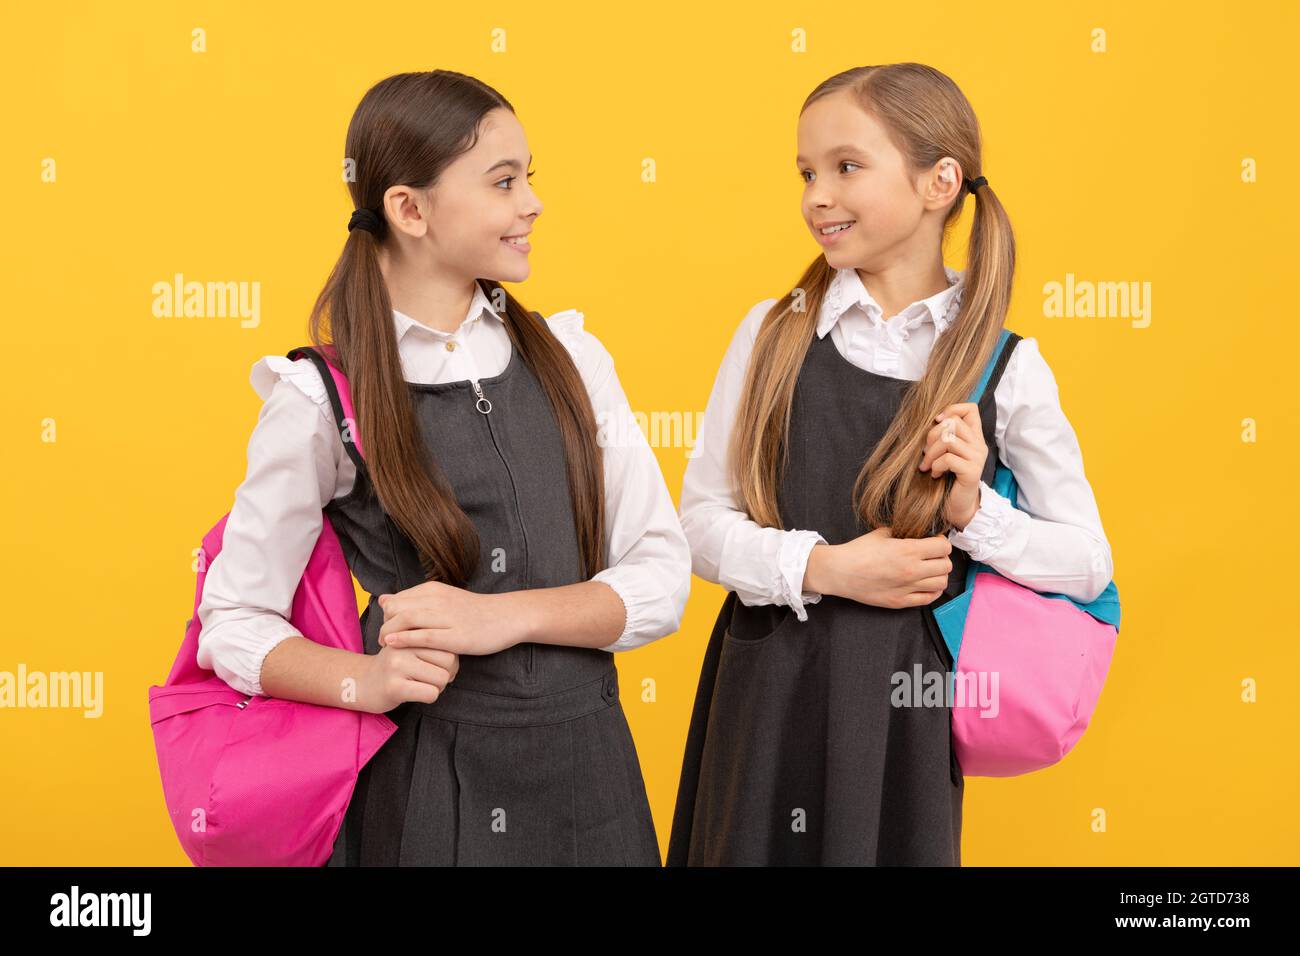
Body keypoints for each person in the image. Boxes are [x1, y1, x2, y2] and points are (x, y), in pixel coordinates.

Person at [195, 69, 691, 866]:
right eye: (503, 181)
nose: (532, 202)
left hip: (590, 772)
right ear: (410, 209)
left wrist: (505, 616)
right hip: (424, 785)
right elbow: (235, 623)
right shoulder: (320, 397)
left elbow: (663, 578)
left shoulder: (572, 357)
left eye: (531, 177)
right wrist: (368, 681)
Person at [667, 62, 1113, 866]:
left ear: (939, 181)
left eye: (846, 167)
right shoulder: (773, 334)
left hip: (904, 708)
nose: (817, 196)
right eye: (807, 173)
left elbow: (1088, 564)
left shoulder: (1006, 367)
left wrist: (976, 513)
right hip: (766, 694)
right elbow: (698, 524)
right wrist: (827, 569)